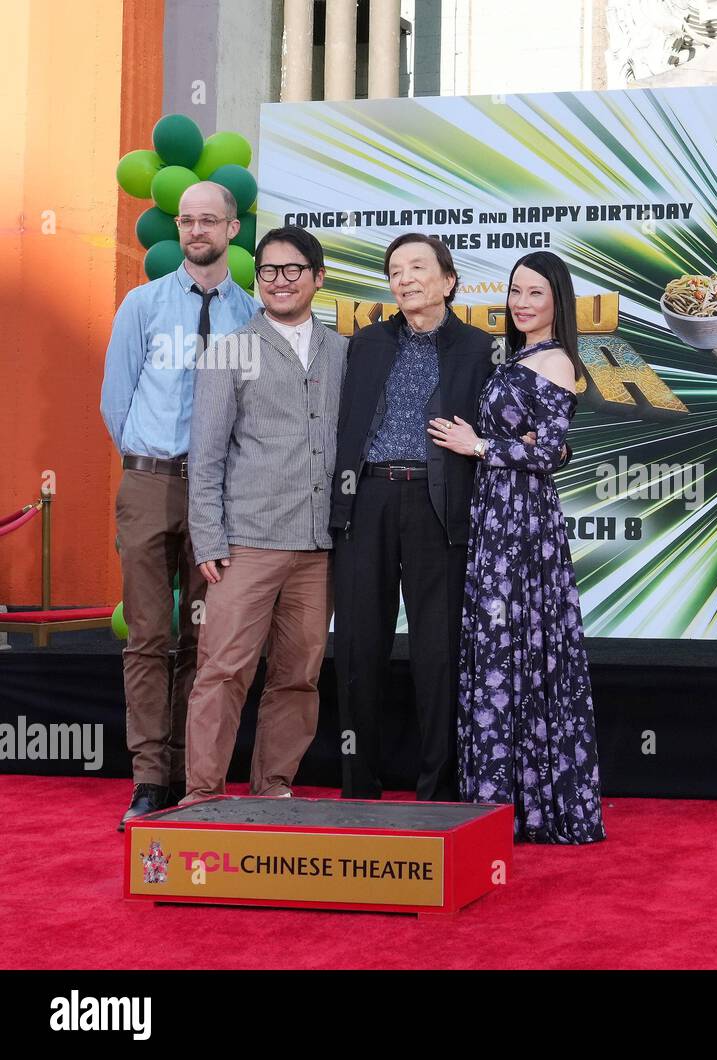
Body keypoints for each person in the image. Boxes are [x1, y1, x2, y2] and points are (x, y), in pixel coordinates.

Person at [429, 250, 604, 844]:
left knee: (515, 646)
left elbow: (550, 451)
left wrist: (478, 445)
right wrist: (507, 441)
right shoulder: (524, 356)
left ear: (558, 299)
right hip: (499, 515)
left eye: (535, 293)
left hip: (521, 524)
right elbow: (534, 442)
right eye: (515, 291)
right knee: (508, 647)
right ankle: (508, 800)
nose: (522, 303)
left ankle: (520, 803)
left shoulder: (553, 360)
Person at [100, 181, 258, 830]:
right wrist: (149, 461)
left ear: (233, 229)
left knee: (206, 638)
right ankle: (147, 780)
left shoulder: (251, 315)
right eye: (186, 220)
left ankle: (192, 778)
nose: (196, 231)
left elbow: (251, 413)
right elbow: (117, 398)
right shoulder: (141, 306)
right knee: (147, 637)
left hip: (217, 493)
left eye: (209, 220)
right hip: (148, 482)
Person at [329, 234, 499, 802]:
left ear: (448, 280)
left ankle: (438, 789)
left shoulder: (478, 348)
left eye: (418, 268)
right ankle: (359, 784)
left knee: (439, 648)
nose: (405, 279)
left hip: (439, 503)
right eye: (395, 270)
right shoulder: (367, 343)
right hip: (368, 498)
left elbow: (495, 433)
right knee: (357, 643)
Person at [182, 226, 347, 803]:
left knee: (299, 675)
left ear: (318, 278)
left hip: (318, 544)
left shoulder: (343, 352)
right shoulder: (230, 349)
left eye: (292, 270)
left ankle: (273, 786)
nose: (279, 281)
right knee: (223, 671)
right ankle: (201, 793)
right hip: (246, 542)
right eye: (269, 272)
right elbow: (204, 454)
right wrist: (207, 538)